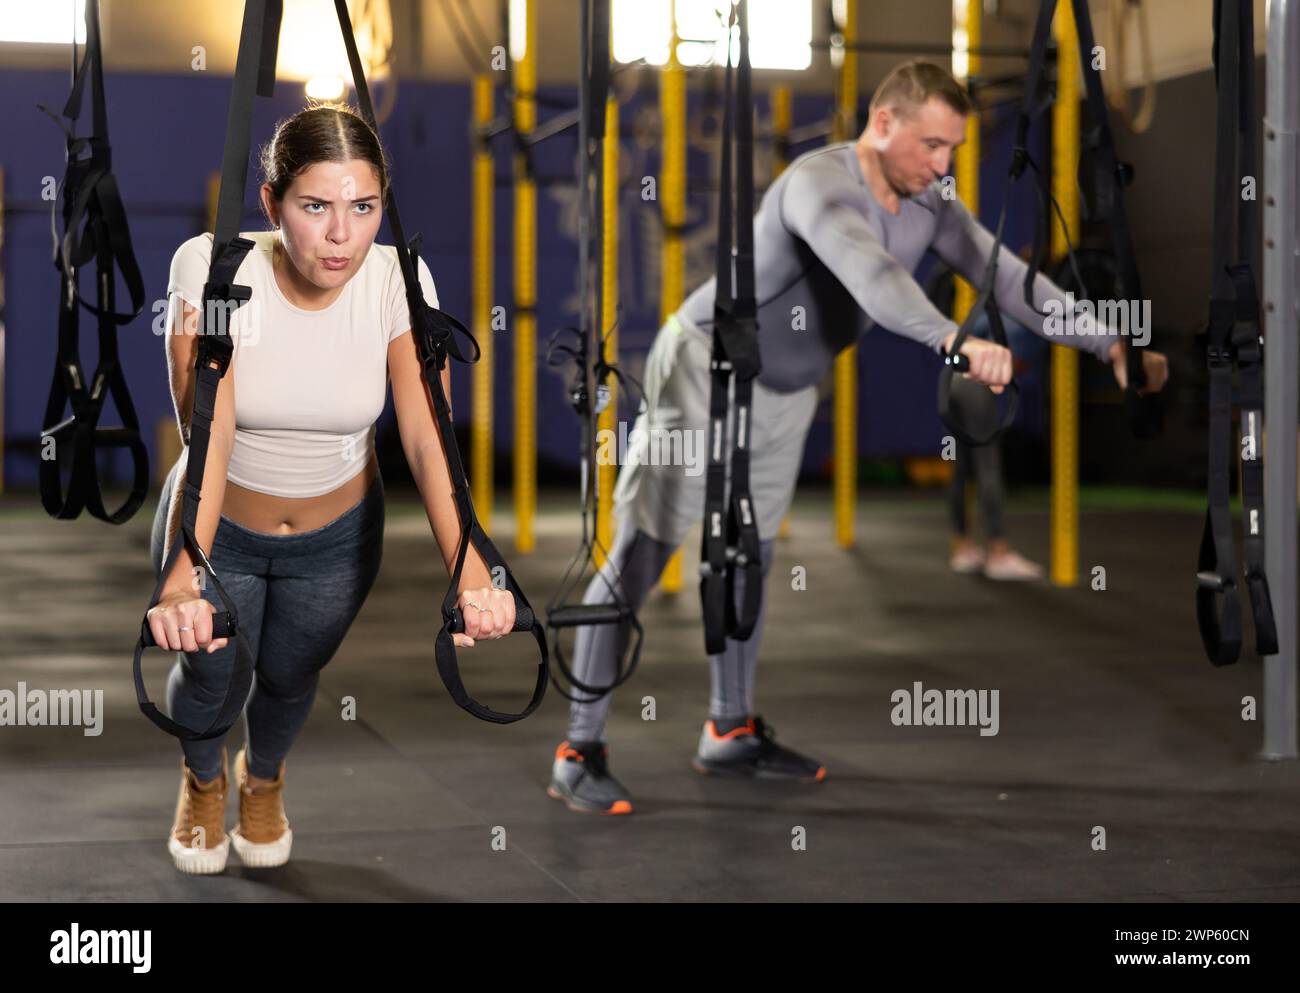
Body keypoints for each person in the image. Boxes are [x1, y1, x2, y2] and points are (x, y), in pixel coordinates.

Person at [547, 60, 1168, 815]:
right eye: (931, 145)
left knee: (751, 555)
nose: (943, 166)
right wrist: (951, 340)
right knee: (644, 549)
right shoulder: (822, 184)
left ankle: (729, 728)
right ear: (882, 124)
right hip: (704, 366)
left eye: (953, 150)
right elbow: (870, 274)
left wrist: (1109, 343)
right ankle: (579, 746)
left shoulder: (932, 200)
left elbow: (1008, 279)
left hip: (784, 391)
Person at [151, 105, 516, 874]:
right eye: (315, 207)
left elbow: (426, 435)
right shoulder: (215, 268)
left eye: (364, 207)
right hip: (220, 526)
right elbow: (207, 429)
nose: (343, 235)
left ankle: (266, 779)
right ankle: (204, 778)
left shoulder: (398, 278)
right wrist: (187, 572)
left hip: (339, 536)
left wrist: (470, 563)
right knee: (212, 672)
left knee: (289, 677)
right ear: (271, 202)